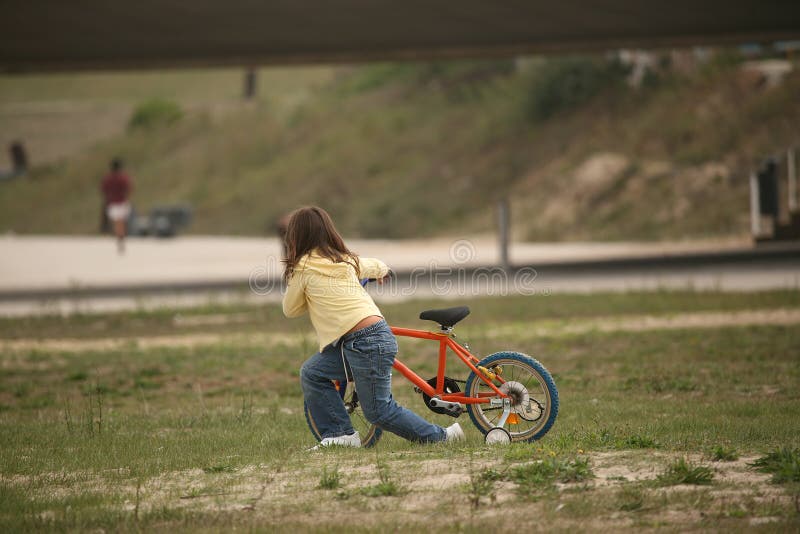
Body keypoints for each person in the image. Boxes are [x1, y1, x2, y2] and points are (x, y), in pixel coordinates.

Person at [282, 206, 464, 449]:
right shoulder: (344, 260)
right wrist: (384, 271)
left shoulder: (303, 268)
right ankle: (340, 435)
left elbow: (290, 309)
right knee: (313, 372)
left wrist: (304, 291)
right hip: (368, 336)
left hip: (362, 342)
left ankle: (443, 436)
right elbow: (375, 264)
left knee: (379, 411)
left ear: (296, 237)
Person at [101, 158, 132, 254]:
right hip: (122, 202)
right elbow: (129, 188)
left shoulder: (107, 178)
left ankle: (120, 238)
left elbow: (104, 189)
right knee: (121, 222)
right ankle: (121, 238)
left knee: (117, 223)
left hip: (112, 203)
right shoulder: (123, 178)